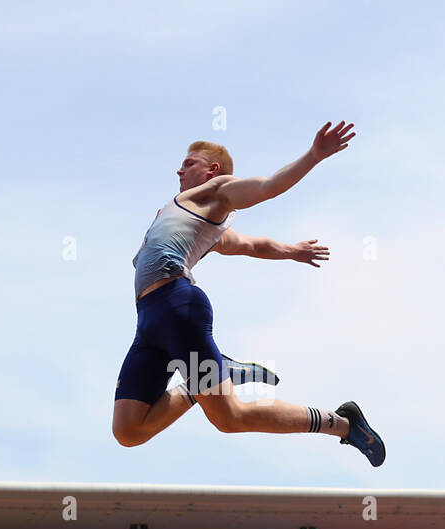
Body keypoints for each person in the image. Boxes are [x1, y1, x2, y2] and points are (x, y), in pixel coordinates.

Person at [111, 121, 385, 467]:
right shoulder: (198, 218)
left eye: (189, 162)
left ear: (213, 170)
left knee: (230, 419)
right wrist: (290, 250)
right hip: (149, 320)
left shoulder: (218, 190)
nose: (179, 169)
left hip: (178, 310)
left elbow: (268, 187)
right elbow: (252, 245)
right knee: (129, 431)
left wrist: (313, 156)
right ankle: (215, 376)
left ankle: (343, 424)